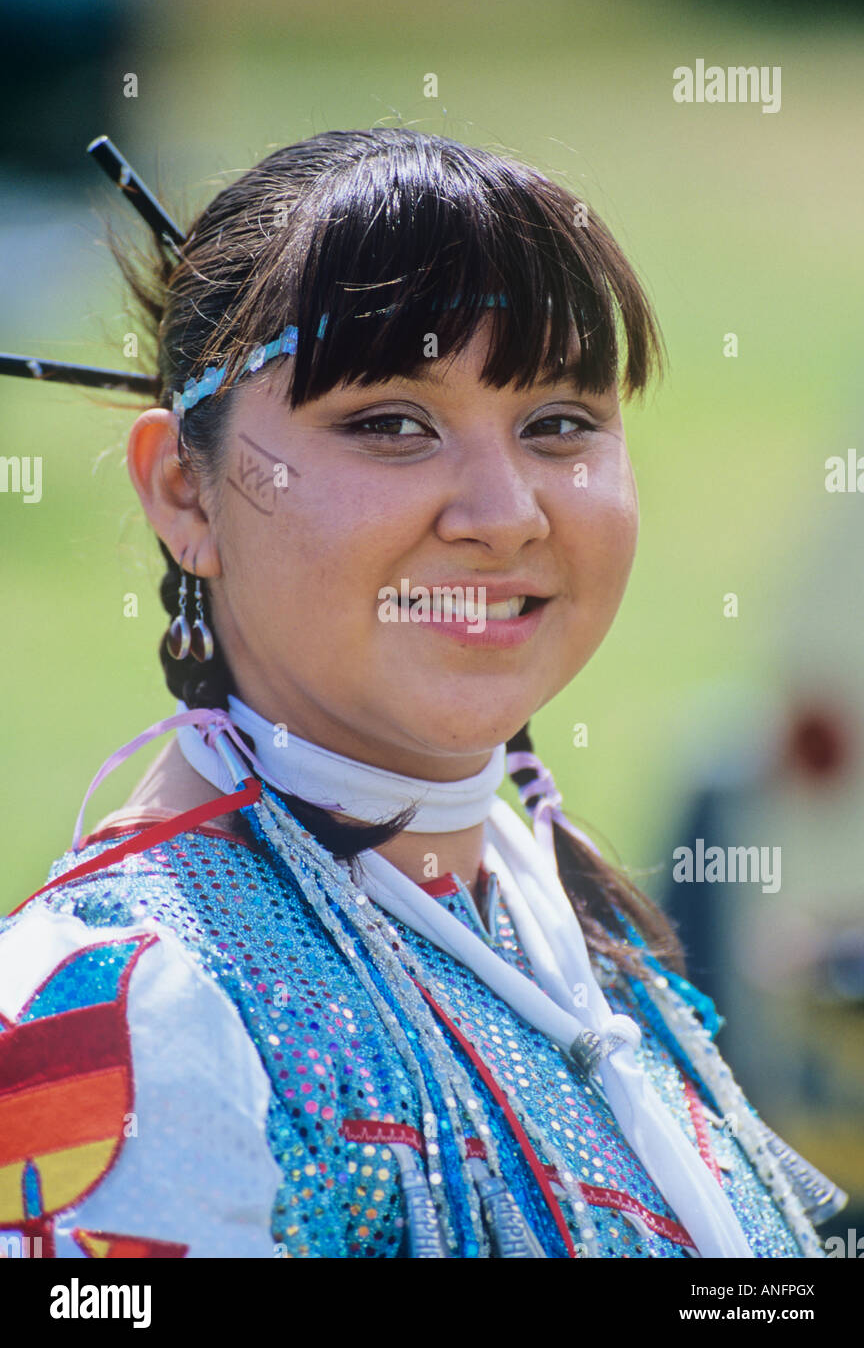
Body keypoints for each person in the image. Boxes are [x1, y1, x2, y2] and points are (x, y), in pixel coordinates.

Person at [0, 128, 844, 1259]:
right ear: (183, 493)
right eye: (391, 423)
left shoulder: (568, 925)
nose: (504, 513)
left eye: (559, 423)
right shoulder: (122, 1016)